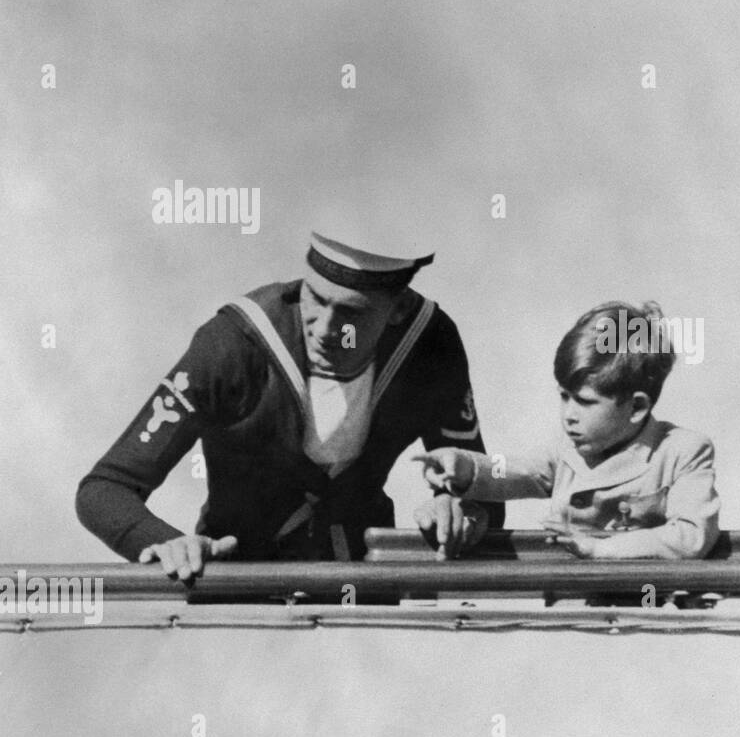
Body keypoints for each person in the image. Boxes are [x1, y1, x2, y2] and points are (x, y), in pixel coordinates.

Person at [76, 229, 502, 581]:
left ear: (399, 309)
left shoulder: (430, 345)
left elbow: (483, 487)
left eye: (351, 314)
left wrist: (463, 507)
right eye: (314, 299)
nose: (326, 329)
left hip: (360, 591)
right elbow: (103, 489)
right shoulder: (232, 345)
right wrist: (163, 541)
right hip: (235, 589)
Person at [417, 301, 720, 560]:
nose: (569, 415)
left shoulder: (682, 451)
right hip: (569, 612)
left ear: (637, 407)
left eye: (585, 402)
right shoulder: (567, 451)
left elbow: (690, 535)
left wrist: (603, 549)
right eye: (564, 397)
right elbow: (512, 470)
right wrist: (466, 466)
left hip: (647, 605)